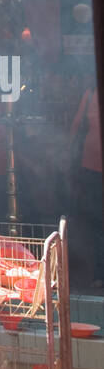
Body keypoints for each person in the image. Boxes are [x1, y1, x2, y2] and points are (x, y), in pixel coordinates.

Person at [70, 84, 103, 288]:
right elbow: (76, 127)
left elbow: (75, 128)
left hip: (90, 166)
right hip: (91, 167)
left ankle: (99, 273)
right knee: (95, 223)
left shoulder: (90, 92)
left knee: (96, 223)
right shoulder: (89, 93)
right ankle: (99, 272)